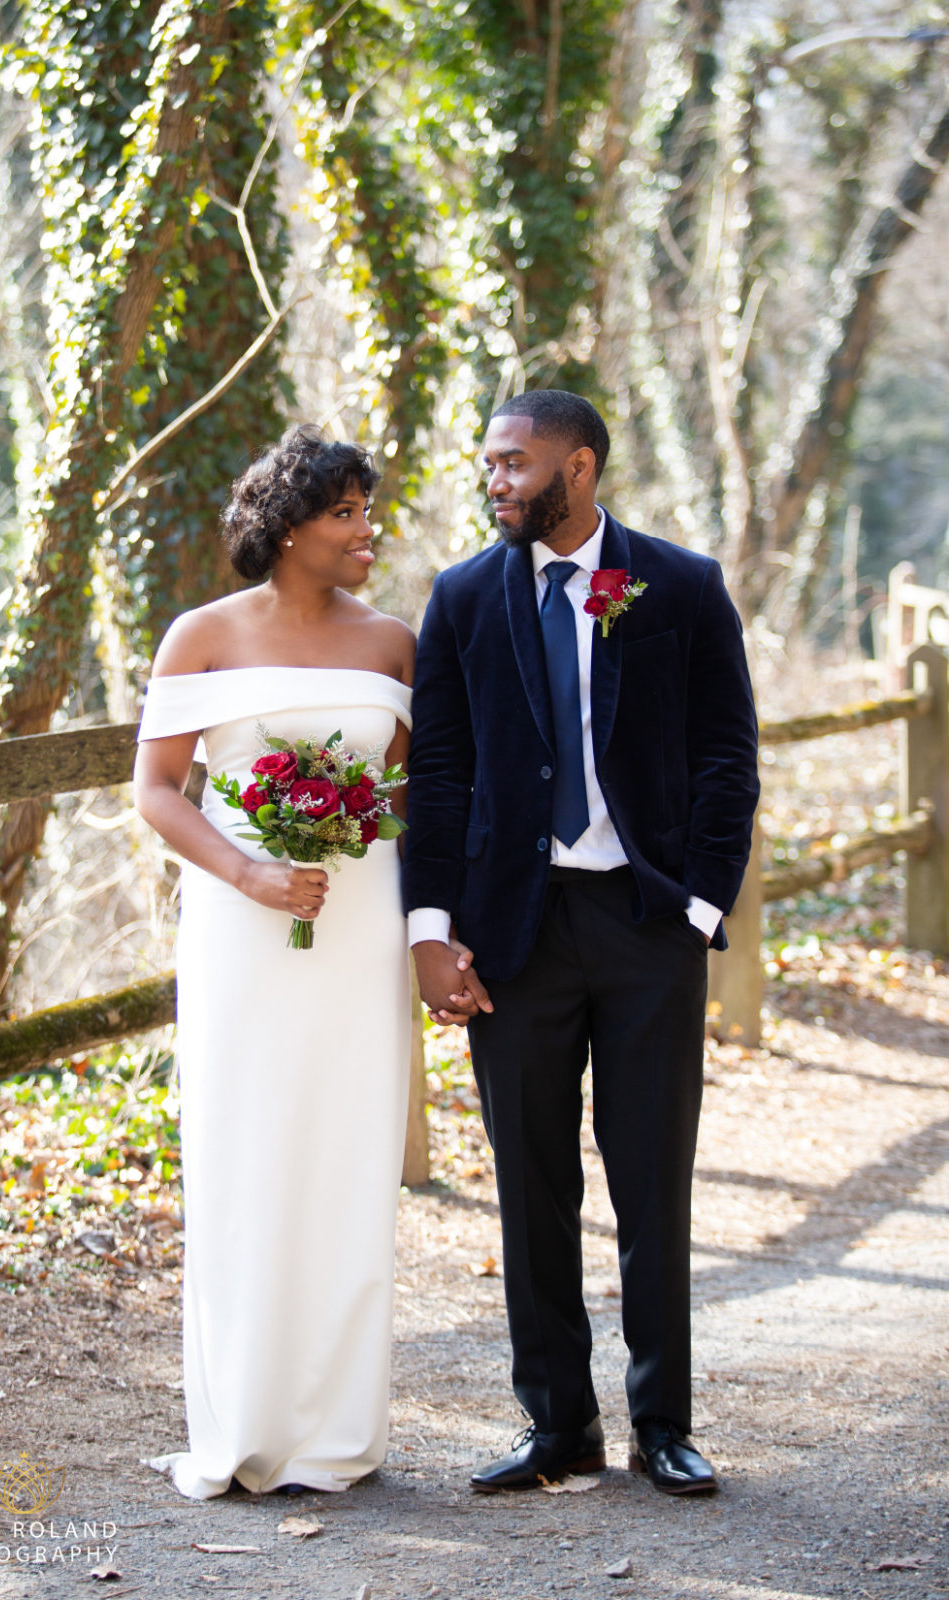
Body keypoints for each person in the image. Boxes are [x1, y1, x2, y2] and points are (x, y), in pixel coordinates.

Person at [403, 390, 760, 1496]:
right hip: (514, 933)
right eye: (488, 464)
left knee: (652, 1179)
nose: (496, 481)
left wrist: (698, 905)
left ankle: (662, 1420)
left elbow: (723, 755)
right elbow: (440, 771)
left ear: (580, 466)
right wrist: (431, 928)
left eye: (514, 462)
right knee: (531, 1184)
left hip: (644, 923)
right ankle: (557, 1423)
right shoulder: (462, 596)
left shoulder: (679, 586)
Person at [133, 425, 426, 1498]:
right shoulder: (198, 637)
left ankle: (339, 1430)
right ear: (290, 524)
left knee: (349, 1152)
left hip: (354, 923)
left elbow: (402, 789)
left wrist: (349, 828)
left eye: (366, 510)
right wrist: (250, 875)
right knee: (244, 1150)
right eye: (346, 512)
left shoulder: (394, 644)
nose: (367, 531)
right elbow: (159, 788)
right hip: (237, 926)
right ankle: (246, 1422)